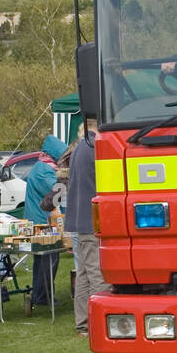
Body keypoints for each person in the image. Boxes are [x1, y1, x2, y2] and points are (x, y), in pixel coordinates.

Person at [67, 118, 108, 336]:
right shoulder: (94, 147)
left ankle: (83, 324)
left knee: (83, 274)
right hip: (92, 221)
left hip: (80, 221)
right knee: (96, 274)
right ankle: (100, 324)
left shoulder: (78, 148)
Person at [24, 134, 67, 309]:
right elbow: (57, 193)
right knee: (49, 258)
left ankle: (40, 294)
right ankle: (43, 296)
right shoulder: (44, 170)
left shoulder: (43, 167)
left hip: (40, 219)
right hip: (42, 222)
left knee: (43, 260)